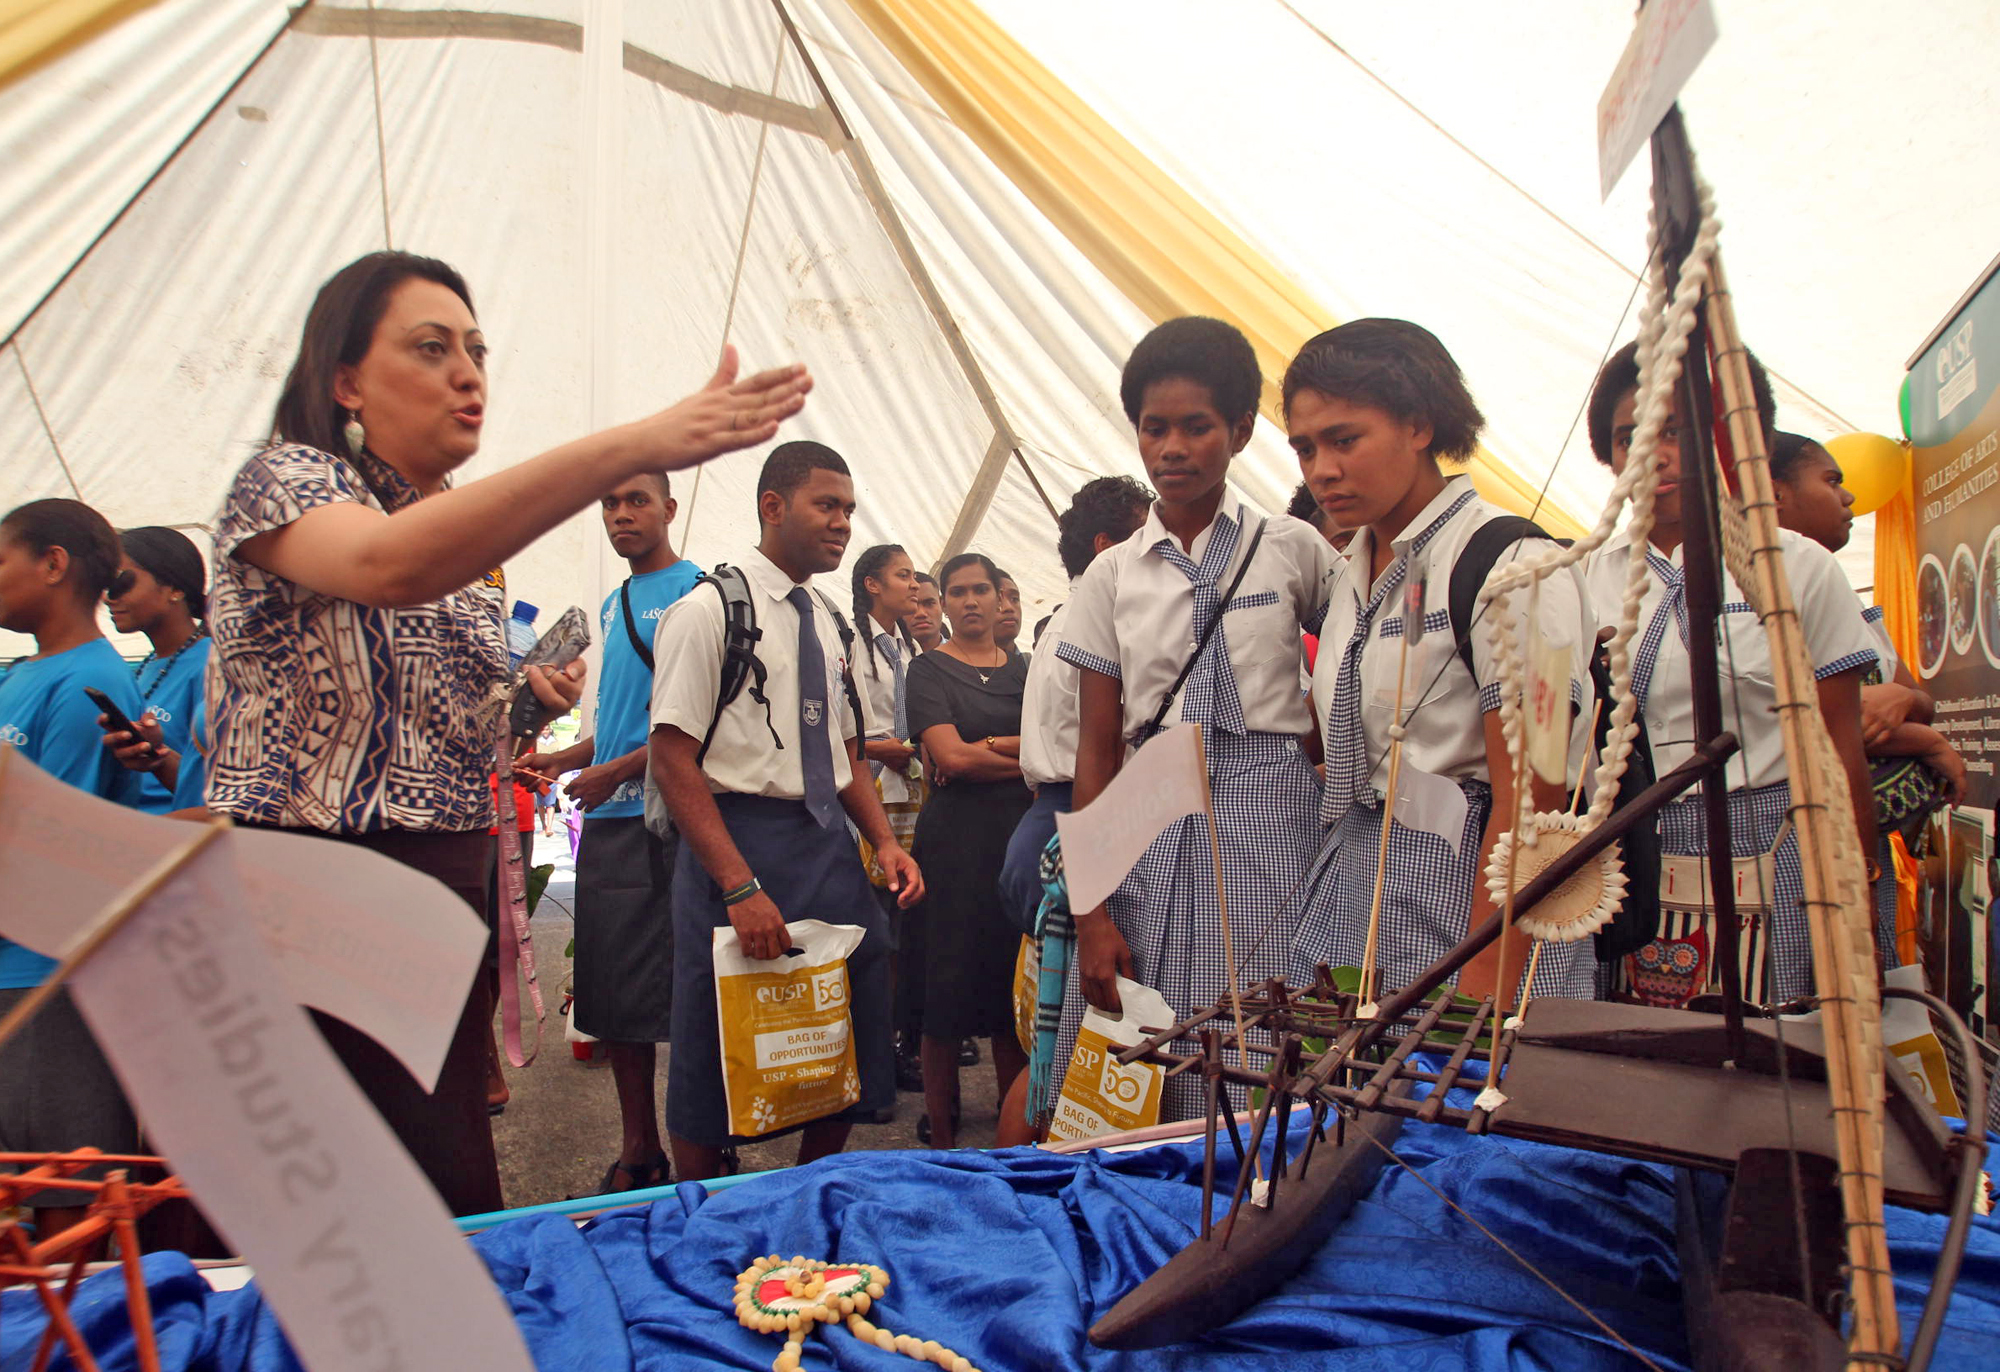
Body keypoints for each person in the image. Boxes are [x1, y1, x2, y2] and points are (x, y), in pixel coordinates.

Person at [201, 249, 809, 1215]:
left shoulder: (451, 527)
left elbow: (451, 725)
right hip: (305, 891)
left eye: (478, 349)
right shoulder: (285, 482)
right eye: (432, 347)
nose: (468, 372)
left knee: (436, 1207)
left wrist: (529, 700)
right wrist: (629, 444)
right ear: (346, 379)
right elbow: (386, 566)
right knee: (304, 1220)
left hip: (436, 889)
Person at [1054, 316, 1336, 1123]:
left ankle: (1253, 1206)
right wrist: (1093, 910)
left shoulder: (1293, 549)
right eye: (1154, 427)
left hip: (1275, 826)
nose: (1171, 447)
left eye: (1196, 427)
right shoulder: (1110, 577)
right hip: (1144, 832)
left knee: (1261, 1033)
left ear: (1241, 431)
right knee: (1144, 1050)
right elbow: (1097, 751)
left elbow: (1346, 677)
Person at [1285, 320, 1596, 1009]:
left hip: (1475, 907)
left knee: (1453, 1111)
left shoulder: (1518, 567)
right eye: (1305, 448)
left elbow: (1535, 794)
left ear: (1419, 426)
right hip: (1356, 899)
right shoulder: (1350, 579)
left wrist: (1482, 988)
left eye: (1345, 439)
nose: (1321, 470)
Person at [649, 441, 920, 1182]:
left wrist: (882, 844)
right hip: (734, 843)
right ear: (773, 506)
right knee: (713, 1037)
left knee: (843, 1019)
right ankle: (703, 1209)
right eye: (826, 506)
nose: (842, 523)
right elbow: (672, 759)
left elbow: (843, 750)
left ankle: (803, 1189)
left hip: (825, 844)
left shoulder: (831, 621)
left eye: (849, 510)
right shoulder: (708, 611)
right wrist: (738, 887)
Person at [1579, 344, 1880, 1005]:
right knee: (1633, 1063)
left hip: (1776, 851)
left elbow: (1840, 749)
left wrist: (1860, 915)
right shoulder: (1582, 577)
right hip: (1630, 857)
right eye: (1632, 435)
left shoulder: (1796, 567)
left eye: (1677, 431)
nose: (1654, 454)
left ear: (1730, 436)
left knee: (1772, 1062)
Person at [520, 473, 703, 1193]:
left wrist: (613, 773)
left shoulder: (702, 593)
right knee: (616, 993)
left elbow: (701, 720)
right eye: (610, 503)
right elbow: (626, 718)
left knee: (696, 988)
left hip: (682, 821)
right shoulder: (614, 602)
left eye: (637, 501)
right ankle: (640, 1147)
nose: (622, 515)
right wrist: (564, 758)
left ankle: (702, 1141)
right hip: (615, 826)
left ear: (670, 509)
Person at [0, 499, 148, 1241]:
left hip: (50, 965)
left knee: (61, 1183)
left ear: (53, 564)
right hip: (13, 962)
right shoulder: (27, 674)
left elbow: (53, 839)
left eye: (1, 560)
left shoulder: (90, 681)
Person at [993, 475, 1151, 1146]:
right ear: (1108, 545)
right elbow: (1104, 750)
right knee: (1064, 1053)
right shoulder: (1104, 621)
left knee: (1055, 1045)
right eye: (1148, 539)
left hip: (1046, 825)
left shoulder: (1064, 619)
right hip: (1075, 828)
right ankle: (1015, 1192)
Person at [1770, 430, 1963, 961]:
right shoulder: (1756, 595)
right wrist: (1922, 741)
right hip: (1794, 855)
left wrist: (1906, 709)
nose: (1849, 497)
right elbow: (1802, 725)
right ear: (1775, 492)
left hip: (1862, 842)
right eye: (1832, 481)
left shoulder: (1843, 596)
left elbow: (1912, 693)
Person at [901, 553, 1033, 1146]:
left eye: (983, 589)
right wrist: (1022, 757)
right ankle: (944, 1129)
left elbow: (1055, 748)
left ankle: (1014, 1128)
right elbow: (948, 759)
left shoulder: (1028, 670)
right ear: (943, 602)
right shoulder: (927, 670)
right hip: (952, 847)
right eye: (958, 592)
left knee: (1011, 988)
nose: (972, 601)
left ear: (1002, 598)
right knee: (944, 986)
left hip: (1018, 842)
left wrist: (987, 746)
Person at [848, 544, 926, 1089]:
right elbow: (840, 728)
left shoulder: (906, 648)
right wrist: (883, 750)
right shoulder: (850, 642)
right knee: (870, 921)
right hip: (866, 792)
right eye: (903, 576)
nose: (914, 586)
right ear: (873, 585)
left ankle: (898, 1044)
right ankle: (867, 1048)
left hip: (907, 795)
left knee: (901, 917)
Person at [98, 527, 211, 813]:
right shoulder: (148, 666)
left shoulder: (211, 666)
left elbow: (217, 793)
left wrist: (157, 759)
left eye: (122, 581)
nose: (109, 597)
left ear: (175, 589)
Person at [904, 572, 946, 651]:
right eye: (911, 604)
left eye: (929, 604)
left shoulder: (966, 658)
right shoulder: (883, 659)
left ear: (942, 604)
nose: (921, 613)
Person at [994, 569, 1024, 655]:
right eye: (997, 600)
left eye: (1014, 599)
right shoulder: (956, 666)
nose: (1009, 607)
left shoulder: (1034, 665)